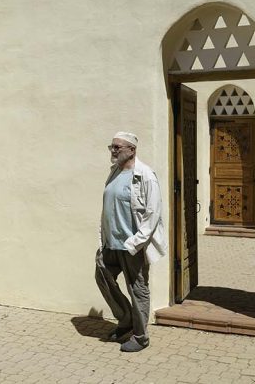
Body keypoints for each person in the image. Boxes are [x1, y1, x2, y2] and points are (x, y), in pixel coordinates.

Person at [95, 131, 167, 352]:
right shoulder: (115, 172)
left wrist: (136, 243)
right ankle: (125, 319)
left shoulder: (145, 175)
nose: (114, 151)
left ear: (132, 150)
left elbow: (152, 213)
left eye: (118, 147)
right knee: (102, 276)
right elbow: (108, 209)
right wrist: (102, 239)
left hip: (131, 246)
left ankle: (140, 336)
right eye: (112, 147)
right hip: (110, 244)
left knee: (138, 290)